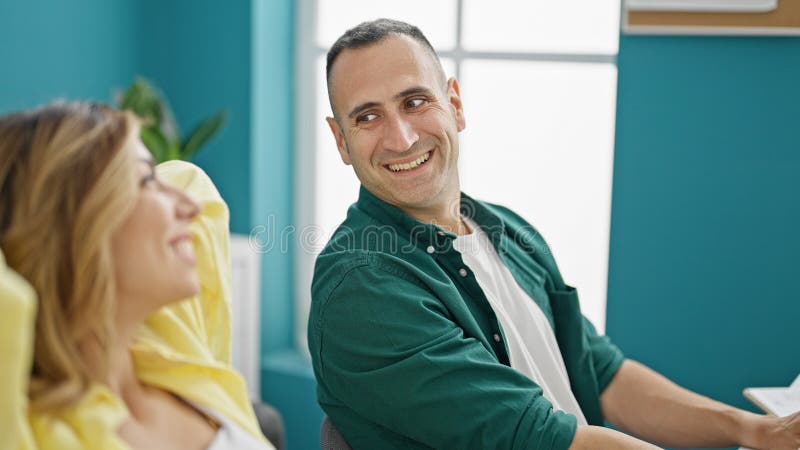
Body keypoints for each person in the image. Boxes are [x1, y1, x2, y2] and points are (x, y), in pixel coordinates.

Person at [307, 19, 800, 450]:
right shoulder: (361, 288)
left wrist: (755, 430)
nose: (401, 138)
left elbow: (603, 376)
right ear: (341, 141)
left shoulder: (507, 231)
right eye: (367, 117)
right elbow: (538, 438)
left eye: (415, 101)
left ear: (454, 105)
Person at [0, 102, 276, 450]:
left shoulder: (174, 351)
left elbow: (192, 183)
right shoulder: (38, 433)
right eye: (147, 180)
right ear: (75, 225)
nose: (190, 207)